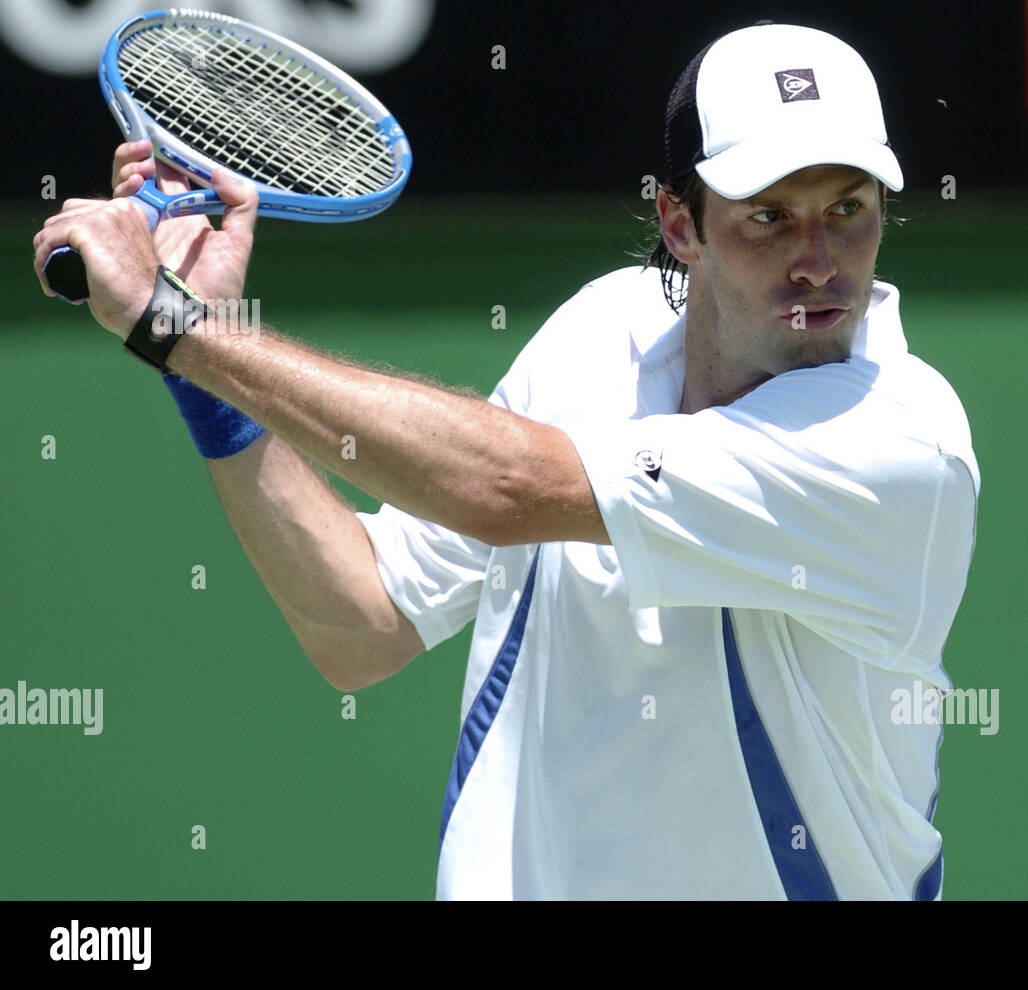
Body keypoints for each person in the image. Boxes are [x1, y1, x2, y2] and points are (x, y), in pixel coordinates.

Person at [33, 22, 979, 899]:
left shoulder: (900, 445)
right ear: (681, 224)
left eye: (848, 209)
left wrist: (179, 330)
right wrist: (206, 365)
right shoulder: (598, 334)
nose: (818, 261)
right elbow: (360, 623)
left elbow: (509, 488)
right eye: (768, 216)